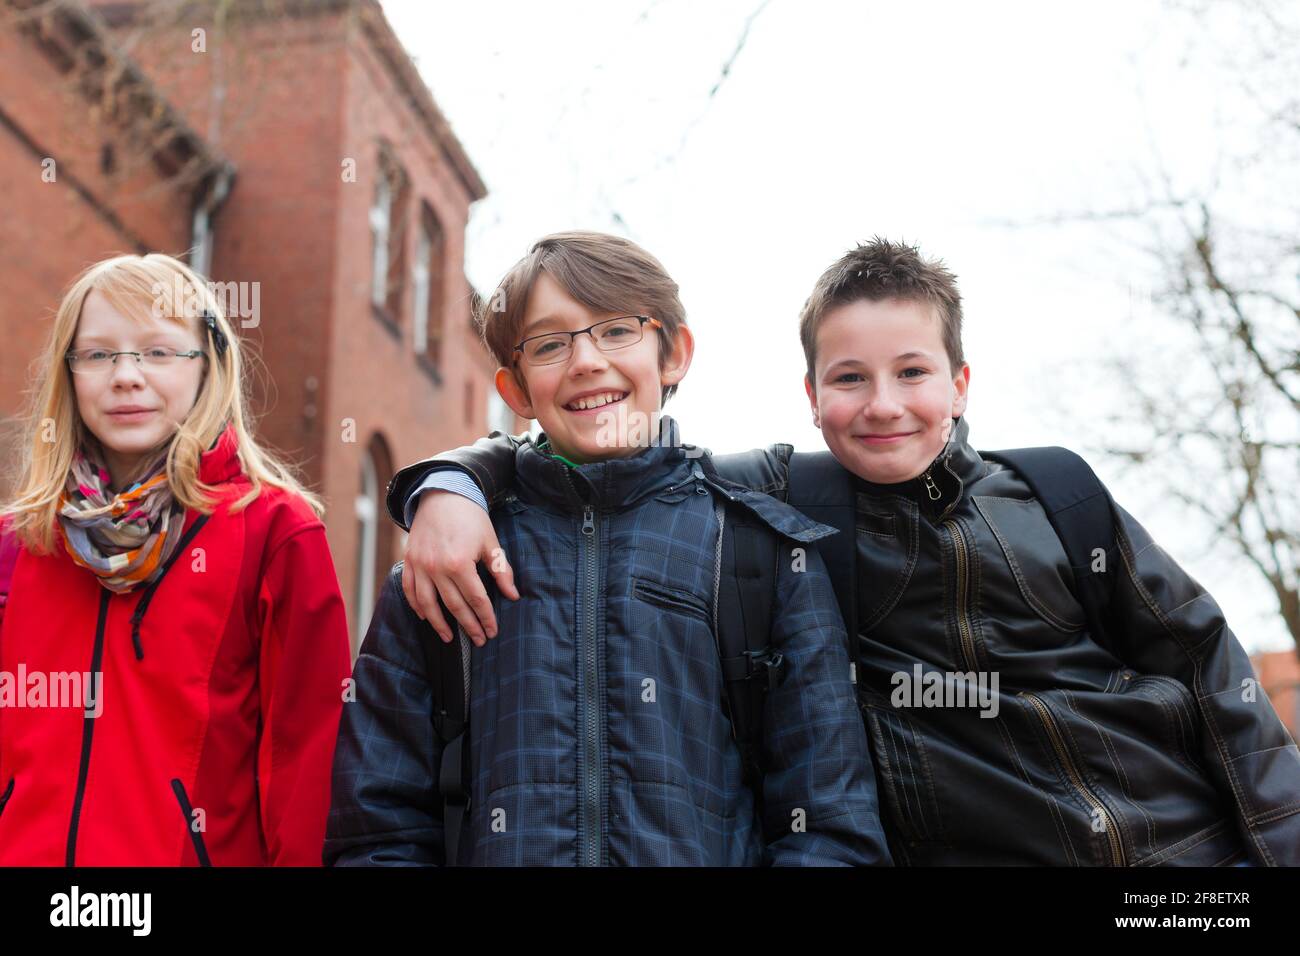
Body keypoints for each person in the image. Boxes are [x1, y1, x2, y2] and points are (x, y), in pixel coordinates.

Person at [386, 238, 1300, 866]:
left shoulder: (1058, 494)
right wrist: (447, 483)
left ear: (961, 381)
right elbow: (608, 473)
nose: (883, 405)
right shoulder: (778, 505)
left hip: (1182, 852)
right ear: (811, 397)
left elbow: (1209, 669)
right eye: (849, 379)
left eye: (913, 372)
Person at [324, 231, 891, 866]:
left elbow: (830, 824)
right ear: (514, 391)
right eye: (549, 344)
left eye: (616, 330)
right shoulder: (449, 562)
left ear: (673, 353)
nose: (586, 360)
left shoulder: (759, 551)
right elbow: (376, 829)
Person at [0, 254, 352, 866]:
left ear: (206, 366)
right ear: (70, 372)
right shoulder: (18, 543)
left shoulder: (276, 533)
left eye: (159, 352)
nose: (126, 375)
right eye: (99, 354)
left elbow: (306, 765)